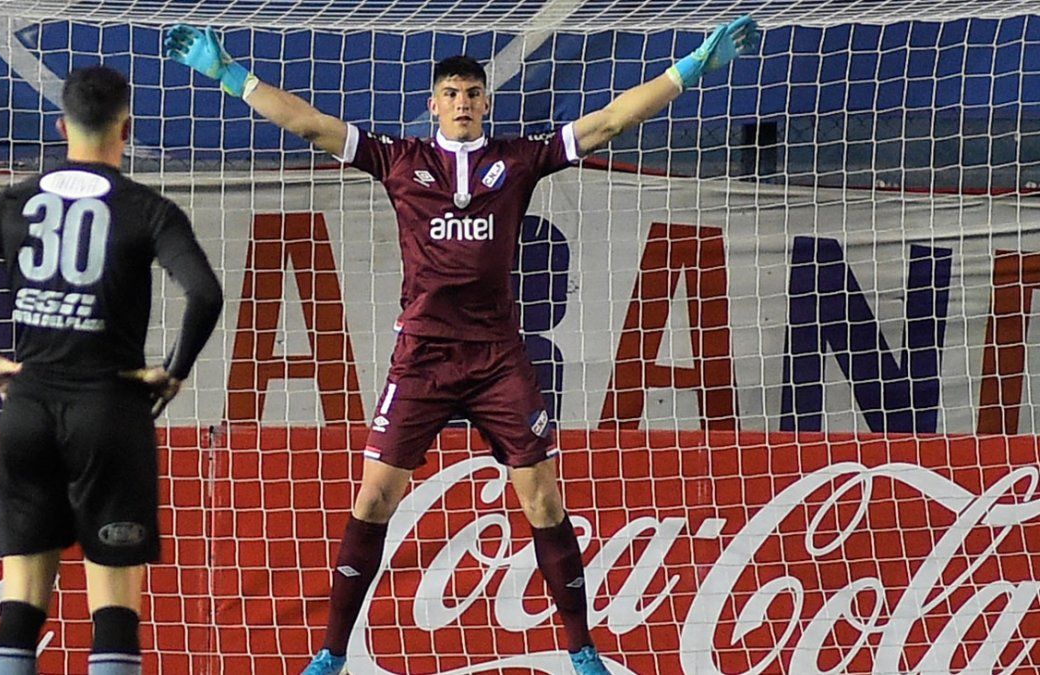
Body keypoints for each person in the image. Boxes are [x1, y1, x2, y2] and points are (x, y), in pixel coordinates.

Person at [165, 17, 758, 675]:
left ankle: (582, 649)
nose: (464, 102)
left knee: (543, 500)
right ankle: (331, 652)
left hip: (498, 358)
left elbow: (608, 123)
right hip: (422, 356)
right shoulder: (400, 160)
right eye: (452, 92)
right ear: (433, 103)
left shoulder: (519, 160)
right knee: (373, 499)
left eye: (473, 93)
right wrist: (229, 76)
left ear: (486, 103)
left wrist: (689, 70)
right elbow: (310, 124)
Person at [0, 65, 223, 675]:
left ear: (61, 126)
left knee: (20, 604)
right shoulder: (147, 209)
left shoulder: (15, 201)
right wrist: (175, 369)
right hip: (109, 411)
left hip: (26, 409)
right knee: (112, 608)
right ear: (127, 128)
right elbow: (205, 295)